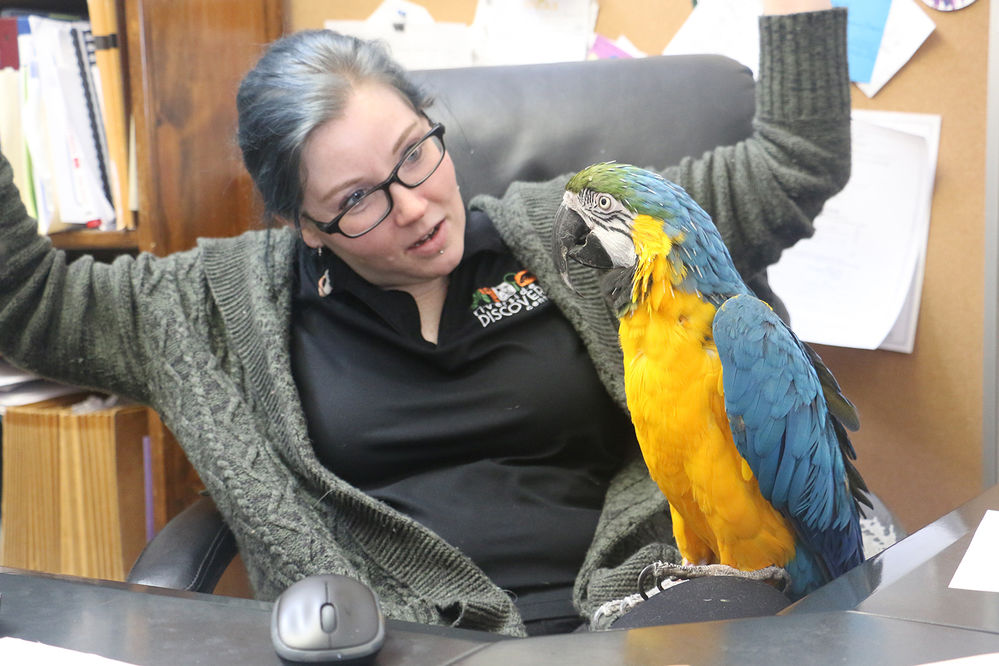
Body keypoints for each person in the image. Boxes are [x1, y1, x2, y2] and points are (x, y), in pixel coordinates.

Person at [0, 1, 850, 637]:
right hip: (395, 645)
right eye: (358, 200)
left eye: (415, 151)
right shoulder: (205, 312)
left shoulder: (581, 229)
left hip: (630, 624)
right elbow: (23, 299)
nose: (413, 207)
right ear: (303, 224)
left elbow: (792, 163)